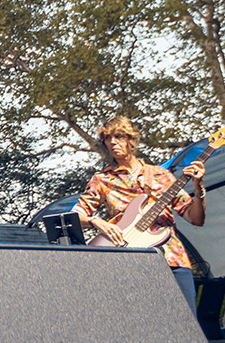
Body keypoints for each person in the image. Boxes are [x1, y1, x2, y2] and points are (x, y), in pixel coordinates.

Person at [74, 115, 207, 311]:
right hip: (129, 261)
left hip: (172, 258)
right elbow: (73, 217)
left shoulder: (161, 175)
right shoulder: (102, 179)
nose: (112, 142)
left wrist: (199, 188)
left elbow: (195, 219)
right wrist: (96, 222)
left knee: (188, 322)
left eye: (118, 136)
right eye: (107, 138)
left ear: (131, 139)